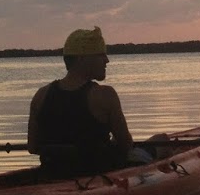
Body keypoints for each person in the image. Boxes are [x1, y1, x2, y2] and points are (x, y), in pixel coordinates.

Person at [27, 26, 135, 176]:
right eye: (101, 55)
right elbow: (126, 145)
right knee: (160, 140)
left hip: (51, 173)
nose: (107, 60)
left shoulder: (40, 95)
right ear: (82, 59)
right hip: (97, 174)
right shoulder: (105, 95)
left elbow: (33, 147)